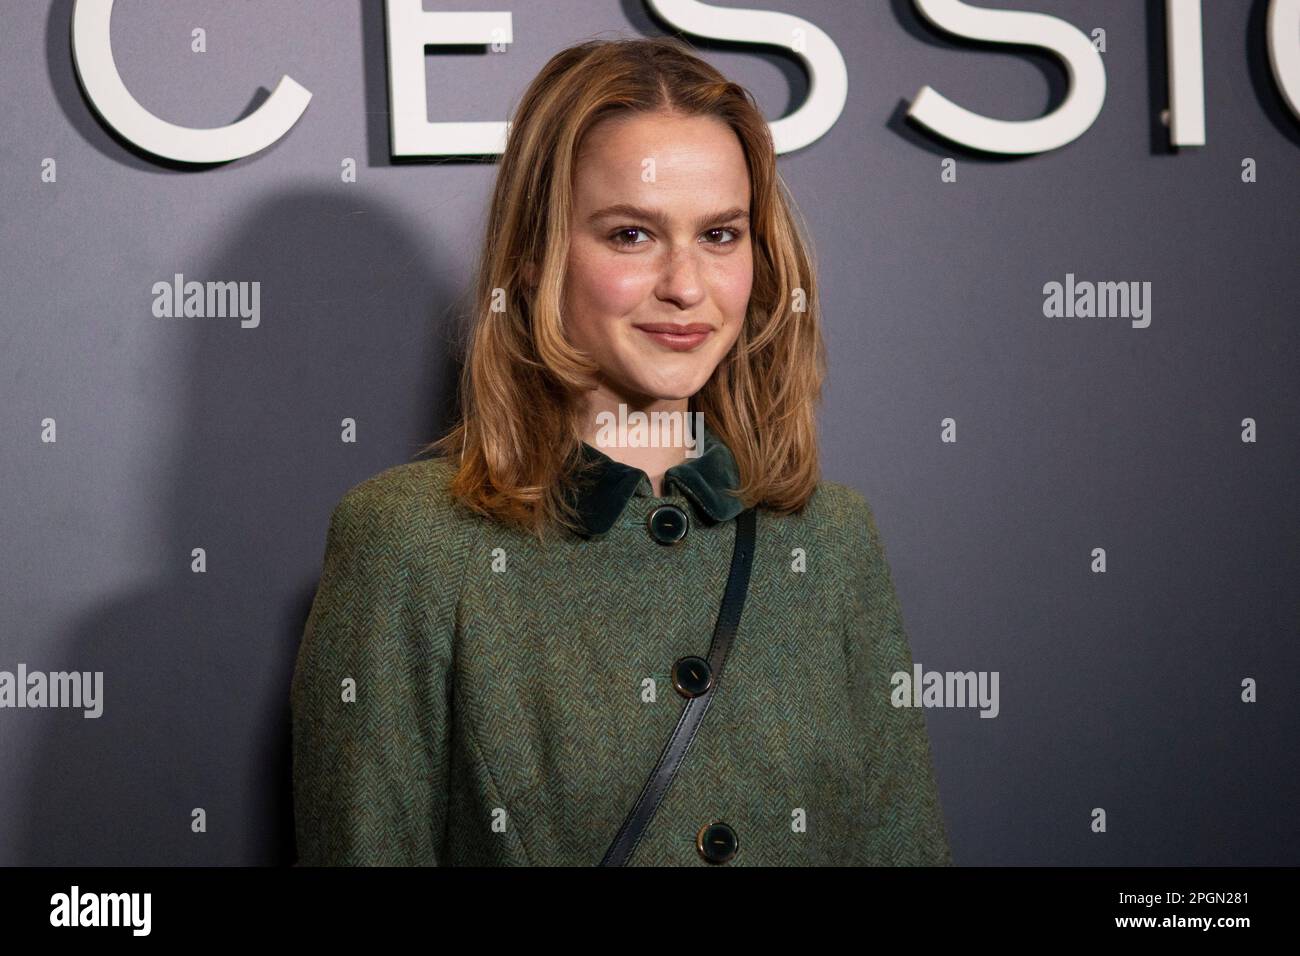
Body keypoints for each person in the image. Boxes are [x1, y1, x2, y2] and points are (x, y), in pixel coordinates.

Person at [290, 35, 953, 866]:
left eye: (720, 235)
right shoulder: (409, 543)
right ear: (534, 258)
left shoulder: (831, 538)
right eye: (632, 234)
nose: (686, 286)